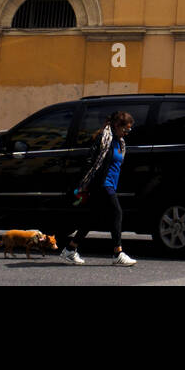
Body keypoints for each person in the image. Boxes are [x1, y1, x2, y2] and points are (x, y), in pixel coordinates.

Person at [60, 111, 136, 266]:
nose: (127, 133)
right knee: (117, 212)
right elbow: (93, 163)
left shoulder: (119, 141)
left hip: (111, 184)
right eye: (126, 129)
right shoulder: (104, 139)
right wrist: (86, 184)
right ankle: (117, 253)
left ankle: (70, 249)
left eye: (129, 130)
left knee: (92, 218)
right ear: (117, 125)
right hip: (102, 184)